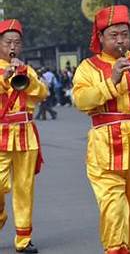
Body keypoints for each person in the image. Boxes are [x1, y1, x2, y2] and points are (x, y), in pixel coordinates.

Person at [72, 5, 130, 254]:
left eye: (124, 34)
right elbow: (81, 100)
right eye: (113, 35)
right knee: (114, 208)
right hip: (105, 149)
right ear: (100, 38)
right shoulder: (88, 67)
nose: (120, 40)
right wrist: (112, 81)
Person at [0, 19, 48, 253]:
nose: (13, 46)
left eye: (17, 43)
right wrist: (4, 77)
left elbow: (43, 93)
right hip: (0, 134)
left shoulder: (26, 69)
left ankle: (23, 238)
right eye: (8, 42)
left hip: (26, 134)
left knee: (24, 187)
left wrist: (25, 79)